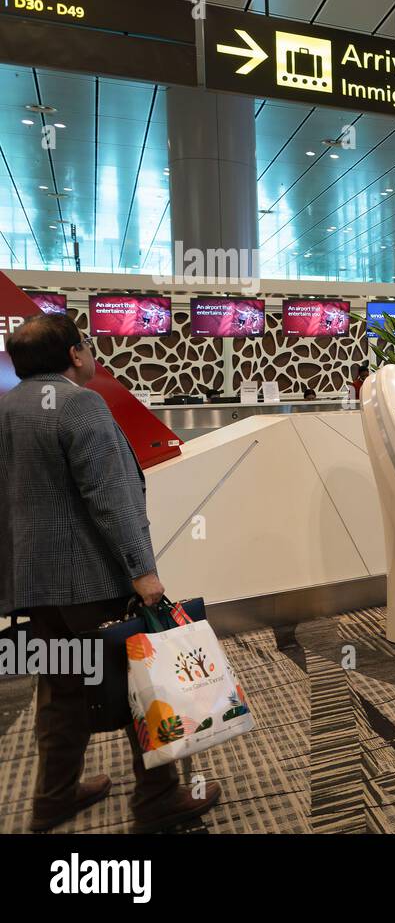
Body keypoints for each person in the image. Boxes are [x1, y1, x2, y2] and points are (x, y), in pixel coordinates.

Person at [0, 314, 223, 832]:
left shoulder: (7, 407)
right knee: (141, 685)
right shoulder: (81, 403)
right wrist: (143, 573)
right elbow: (112, 498)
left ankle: (52, 798)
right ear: (75, 354)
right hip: (92, 583)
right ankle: (159, 801)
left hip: (32, 587)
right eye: (87, 343)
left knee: (59, 686)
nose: (91, 351)